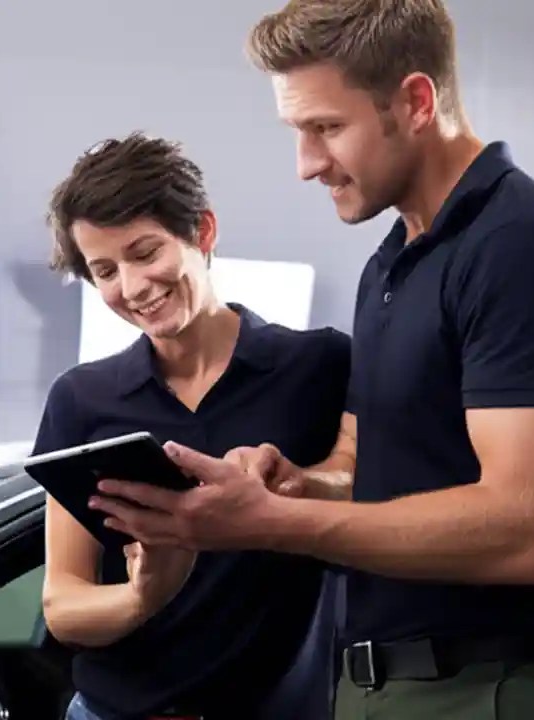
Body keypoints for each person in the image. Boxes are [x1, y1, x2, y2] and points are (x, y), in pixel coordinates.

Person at [87, 2, 534, 719]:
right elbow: (368, 466)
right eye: (298, 132)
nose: (307, 165)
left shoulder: (523, 248)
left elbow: (528, 531)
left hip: (499, 691)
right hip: (382, 688)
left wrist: (266, 525)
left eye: (326, 129)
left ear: (414, 101)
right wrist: (295, 487)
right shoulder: (394, 263)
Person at [33, 131, 353, 720]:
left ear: (202, 232)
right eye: (104, 270)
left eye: (145, 252)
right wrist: (142, 596)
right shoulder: (82, 399)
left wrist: (293, 490)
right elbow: (64, 603)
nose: (131, 288)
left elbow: (374, 506)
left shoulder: (320, 368)